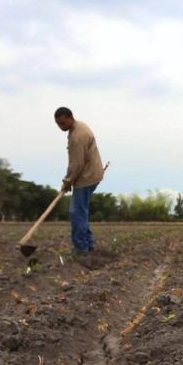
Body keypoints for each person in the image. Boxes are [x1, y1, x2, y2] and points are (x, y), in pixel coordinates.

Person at [54, 107, 105, 255]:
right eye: (58, 124)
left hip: (86, 177)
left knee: (76, 213)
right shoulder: (79, 126)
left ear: (71, 118)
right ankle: (88, 244)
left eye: (63, 123)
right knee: (81, 212)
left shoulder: (77, 136)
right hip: (91, 174)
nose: (61, 126)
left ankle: (81, 248)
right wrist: (69, 182)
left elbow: (76, 164)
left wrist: (67, 182)